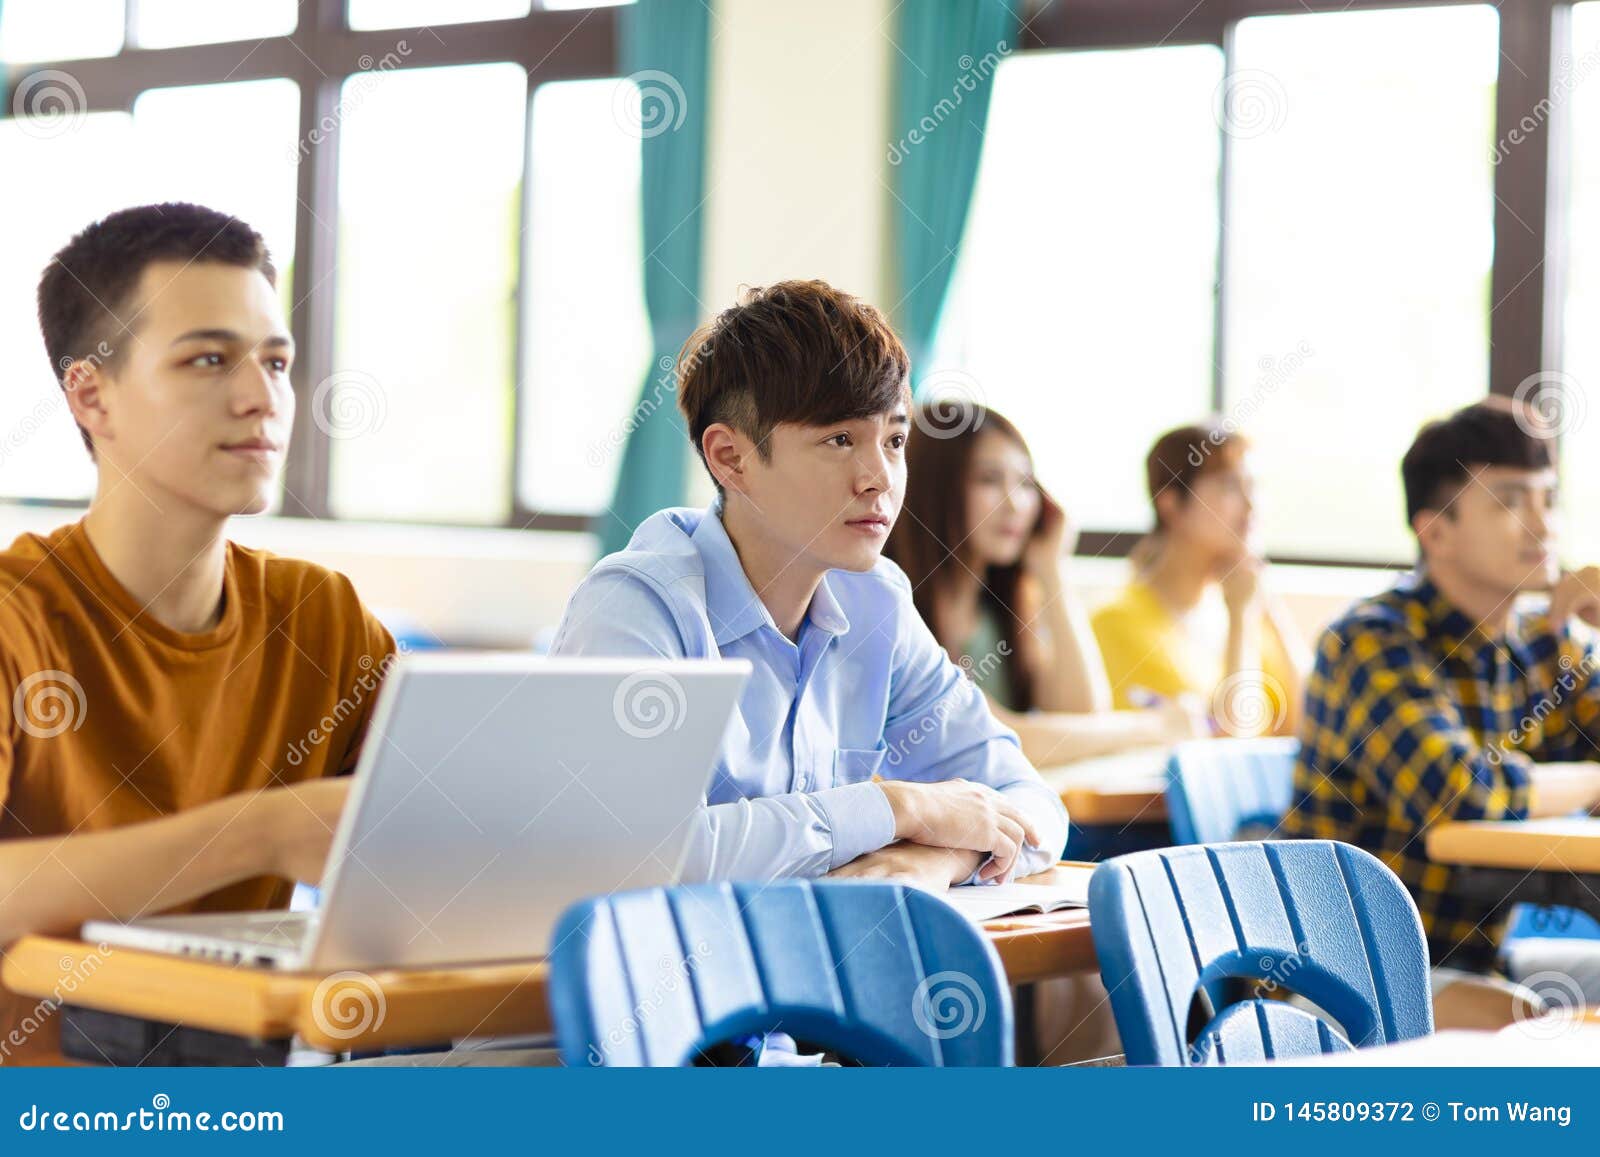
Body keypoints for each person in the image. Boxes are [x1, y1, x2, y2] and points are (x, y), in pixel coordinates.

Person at [0, 204, 394, 1064]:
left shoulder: (321, 617)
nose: (262, 397)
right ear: (90, 393)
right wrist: (261, 832)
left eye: (276, 361)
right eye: (208, 359)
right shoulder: (14, 620)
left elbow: (439, 835)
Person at [550, 280, 1068, 891]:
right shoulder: (636, 607)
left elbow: (1030, 801)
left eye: (895, 441)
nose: (879, 478)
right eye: (839, 440)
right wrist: (900, 810)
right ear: (731, 459)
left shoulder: (876, 601)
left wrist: (943, 859)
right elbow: (636, 857)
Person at [1284, 400, 1600, 997]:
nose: (1542, 524)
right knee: (1533, 1026)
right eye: (1509, 501)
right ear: (1436, 532)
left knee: (1531, 1011)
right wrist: (1593, 782)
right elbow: (1463, 793)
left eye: (1547, 498)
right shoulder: (1371, 640)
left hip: (1479, 968)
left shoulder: (1545, 640)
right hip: (1342, 981)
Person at [883, 400, 1203, 768]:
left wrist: (1052, 570)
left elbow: (1082, 710)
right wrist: (1154, 726)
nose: (1016, 504)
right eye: (988, 480)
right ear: (932, 490)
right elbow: (997, 739)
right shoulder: (895, 612)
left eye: (1024, 484)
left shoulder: (995, 614)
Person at [1091, 422, 1306, 737]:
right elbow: (1227, 747)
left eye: (1254, 486)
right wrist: (1240, 618)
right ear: (1171, 504)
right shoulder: (1116, 623)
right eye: (1229, 486)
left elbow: (1313, 722)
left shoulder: (1245, 602)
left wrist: (1269, 605)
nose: (1251, 505)